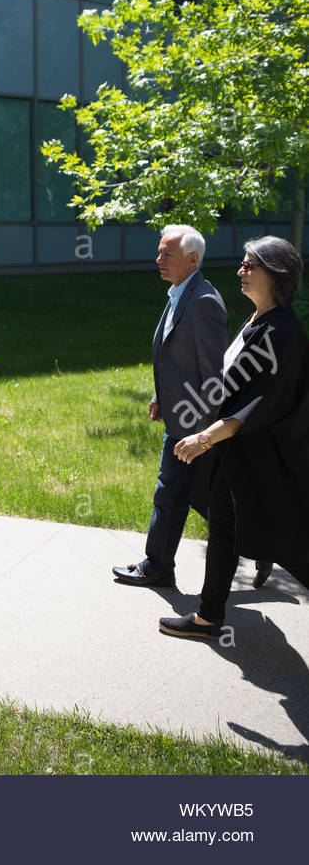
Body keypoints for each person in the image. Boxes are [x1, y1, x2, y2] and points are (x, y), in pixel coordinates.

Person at [160, 236, 309, 640]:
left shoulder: (281, 332)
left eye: (249, 266)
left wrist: (203, 438)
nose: (240, 271)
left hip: (266, 457)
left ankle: (211, 614)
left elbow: (255, 405)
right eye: (242, 264)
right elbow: (228, 383)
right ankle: (208, 618)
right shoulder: (259, 321)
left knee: (290, 540)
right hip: (241, 454)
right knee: (225, 528)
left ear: (275, 274)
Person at [113, 224, 228, 588]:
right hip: (181, 418)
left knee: (177, 494)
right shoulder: (180, 293)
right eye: (160, 252)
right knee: (185, 496)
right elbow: (175, 358)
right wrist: (161, 397)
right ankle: (159, 563)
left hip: (195, 426)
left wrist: (202, 435)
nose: (158, 259)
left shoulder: (204, 302)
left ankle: (158, 566)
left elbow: (213, 375)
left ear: (192, 259)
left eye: (167, 254)